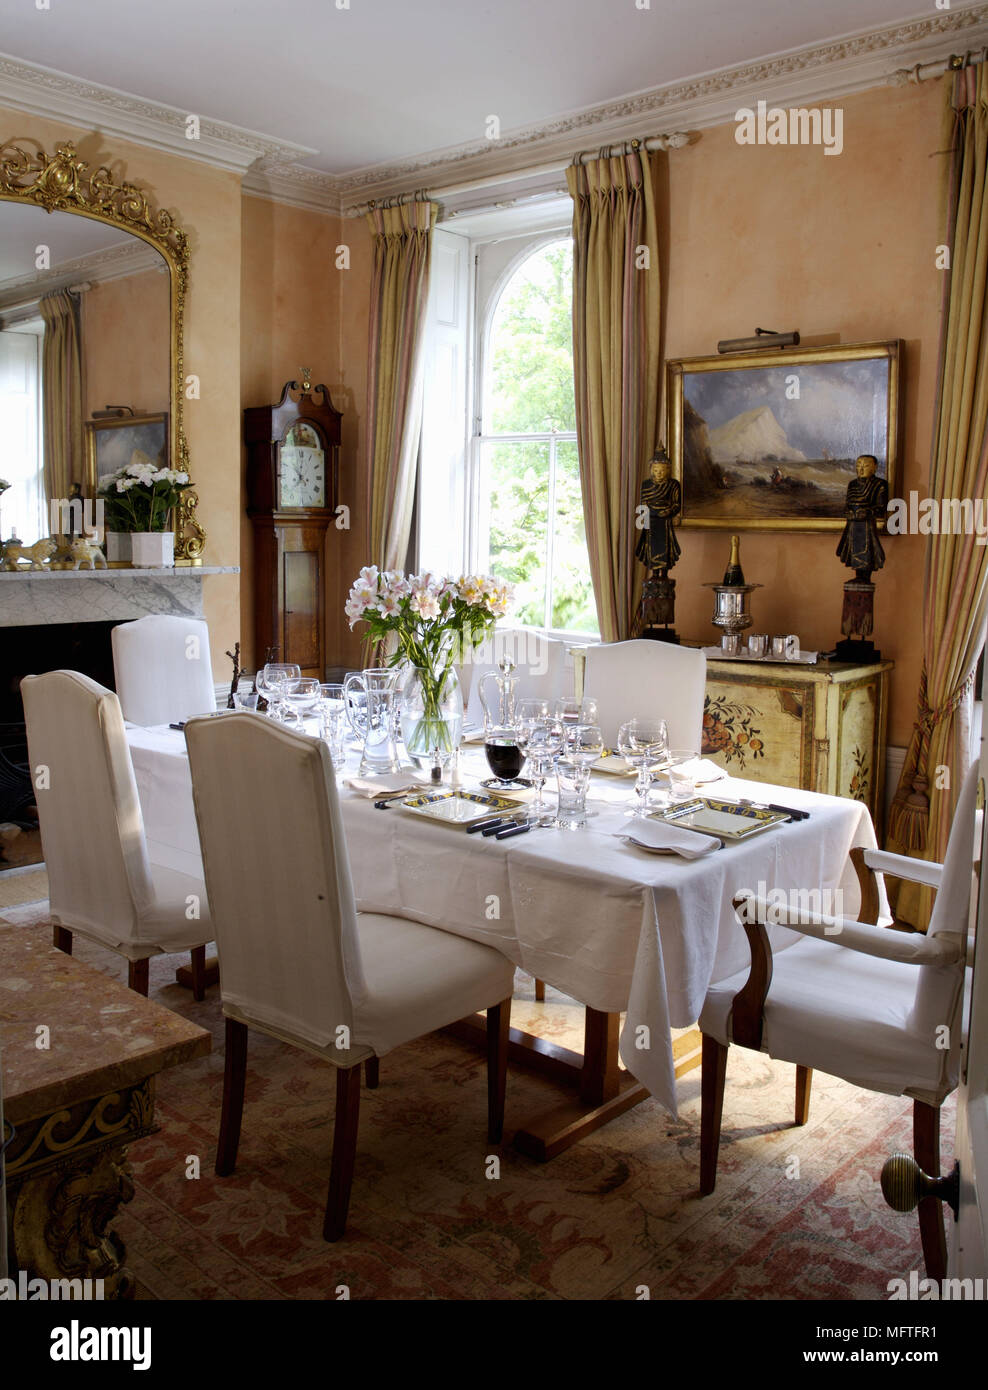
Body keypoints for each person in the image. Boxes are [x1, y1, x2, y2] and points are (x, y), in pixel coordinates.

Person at [836, 454, 888, 581]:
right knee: (853, 550)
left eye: (865, 466)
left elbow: (881, 508)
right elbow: (848, 505)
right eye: (858, 466)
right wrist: (849, 512)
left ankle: (865, 577)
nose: (861, 469)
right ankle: (859, 576)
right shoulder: (852, 484)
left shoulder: (880, 484)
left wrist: (867, 512)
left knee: (867, 551)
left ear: (875, 467)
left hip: (867, 525)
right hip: (853, 524)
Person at [635, 449, 681, 575]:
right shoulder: (646, 485)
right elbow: (643, 504)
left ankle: (664, 573)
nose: (659, 473)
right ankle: (654, 573)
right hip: (651, 521)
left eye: (662, 470)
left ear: (668, 470)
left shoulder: (673, 485)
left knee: (665, 550)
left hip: (665, 522)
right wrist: (641, 521)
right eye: (656, 471)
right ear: (651, 470)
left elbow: (677, 504)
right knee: (652, 549)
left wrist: (668, 511)